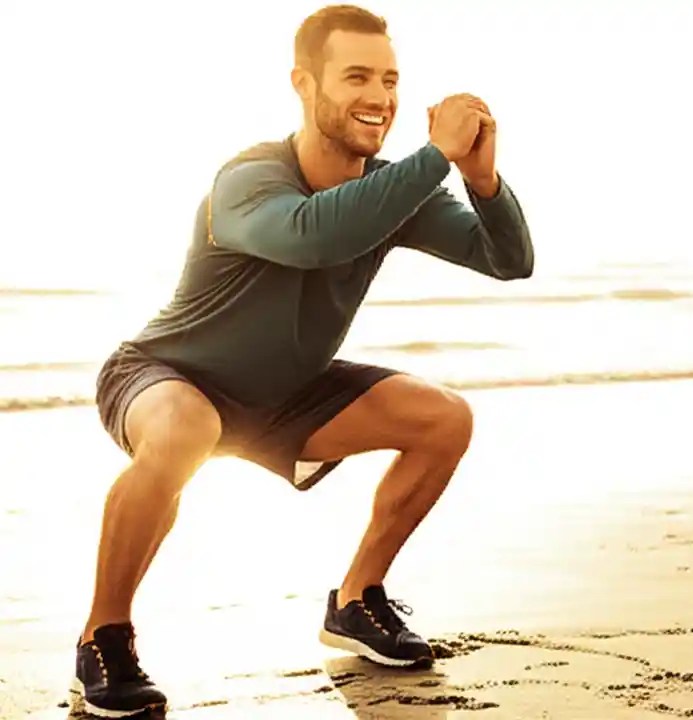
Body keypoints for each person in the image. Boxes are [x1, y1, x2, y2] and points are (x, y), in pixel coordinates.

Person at [72, 5, 534, 717]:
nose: (379, 97)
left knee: (444, 419)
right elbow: (315, 237)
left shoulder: (397, 188)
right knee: (184, 431)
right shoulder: (249, 179)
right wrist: (433, 159)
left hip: (286, 396)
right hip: (164, 376)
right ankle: (103, 636)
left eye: (389, 79)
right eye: (356, 77)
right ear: (303, 83)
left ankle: (356, 601)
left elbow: (510, 261)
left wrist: (483, 180)